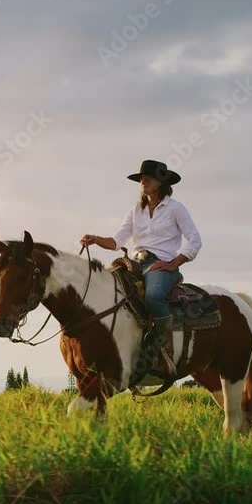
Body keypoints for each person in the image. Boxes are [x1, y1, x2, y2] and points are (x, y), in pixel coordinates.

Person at [79, 160, 203, 377]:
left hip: (161, 264)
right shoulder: (136, 210)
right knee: (108, 290)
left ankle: (164, 351)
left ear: (161, 182)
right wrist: (96, 239)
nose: (143, 181)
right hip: (134, 263)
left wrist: (173, 263)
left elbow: (195, 240)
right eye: (141, 178)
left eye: (148, 177)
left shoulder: (176, 209)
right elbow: (117, 241)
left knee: (154, 297)